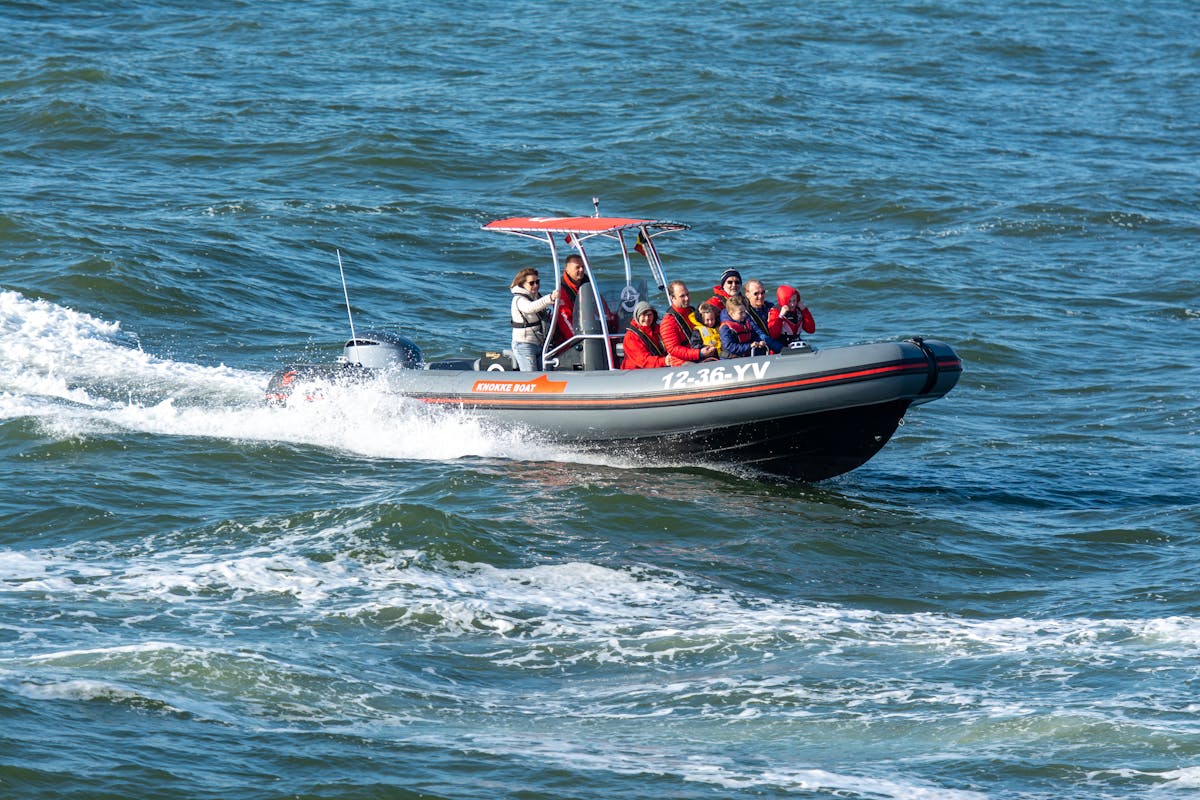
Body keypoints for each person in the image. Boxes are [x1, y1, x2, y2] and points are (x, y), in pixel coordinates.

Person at [510, 268, 559, 371]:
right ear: (522, 284)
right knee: (531, 377)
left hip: (540, 343)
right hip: (524, 344)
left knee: (545, 373)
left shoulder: (536, 297)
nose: (535, 285)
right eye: (531, 283)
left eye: (537, 282)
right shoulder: (519, 299)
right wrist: (550, 298)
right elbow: (530, 308)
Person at [659, 280, 717, 363]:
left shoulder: (692, 311)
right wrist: (699, 353)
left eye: (687, 294)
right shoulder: (668, 322)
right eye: (682, 296)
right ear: (672, 298)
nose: (687, 298)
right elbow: (673, 349)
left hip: (703, 352)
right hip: (682, 362)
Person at [622, 301, 683, 370]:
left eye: (649, 315)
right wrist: (664, 361)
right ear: (637, 316)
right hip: (636, 373)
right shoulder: (630, 337)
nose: (647, 318)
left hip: (659, 367)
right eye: (643, 315)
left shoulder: (658, 329)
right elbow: (643, 360)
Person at [551, 254, 589, 345]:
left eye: (583, 267)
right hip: (568, 342)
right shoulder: (561, 292)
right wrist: (577, 341)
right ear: (567, 270)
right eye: (577, 267)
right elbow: (565, 321)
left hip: (588, 331)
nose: (581, 270)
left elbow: (601, 306)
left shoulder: (589, 285)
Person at [743, 279, 784, 354]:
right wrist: (782, 349)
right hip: (758, 349)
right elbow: (760, 335)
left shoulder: (771, 307)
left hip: (775, 343)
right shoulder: (744, 313)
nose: (760, 296)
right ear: (747, 294)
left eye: (762, 292)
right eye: (756, 294)